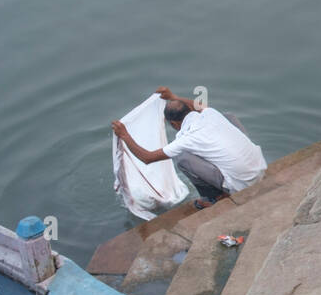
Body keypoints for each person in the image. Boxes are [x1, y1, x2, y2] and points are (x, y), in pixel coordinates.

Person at [112, 87, 266, 209]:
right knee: (228, 117)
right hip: (259, 168)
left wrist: (125, 135)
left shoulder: (186, 139)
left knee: (183, 158)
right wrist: (173, 97)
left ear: (173, 124)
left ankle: (214, 198)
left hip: (243, 184)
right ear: (190, 111)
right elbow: (196, 104)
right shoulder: (210, 113)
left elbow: (147, 158)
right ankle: (241, 166)